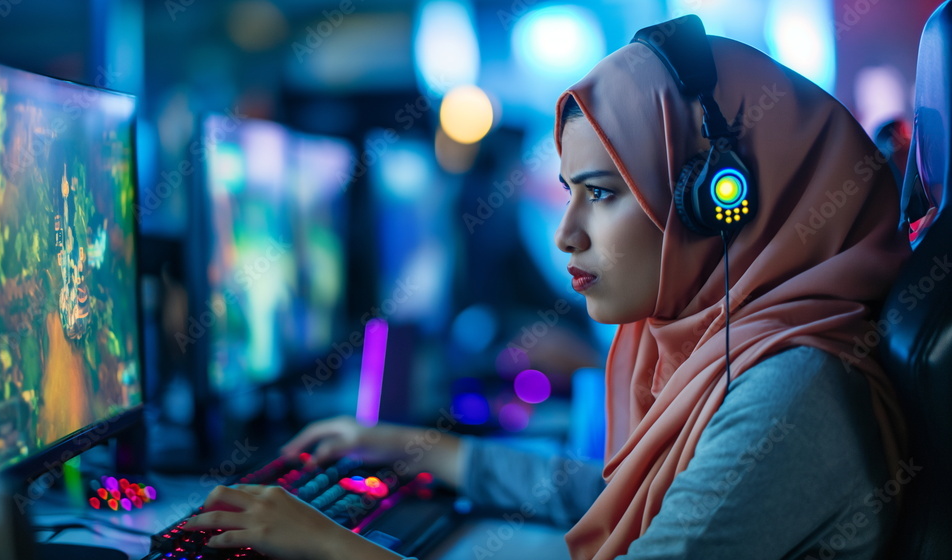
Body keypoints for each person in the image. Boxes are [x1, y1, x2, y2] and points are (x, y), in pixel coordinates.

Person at [184, 18, 910, 560]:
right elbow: (622, 500)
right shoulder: (724, 351)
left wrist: (331, 544)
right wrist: (421, 450)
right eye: (569, 192)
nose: (566, 234)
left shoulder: (796, 388)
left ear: (718, 202)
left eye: (601, 193)